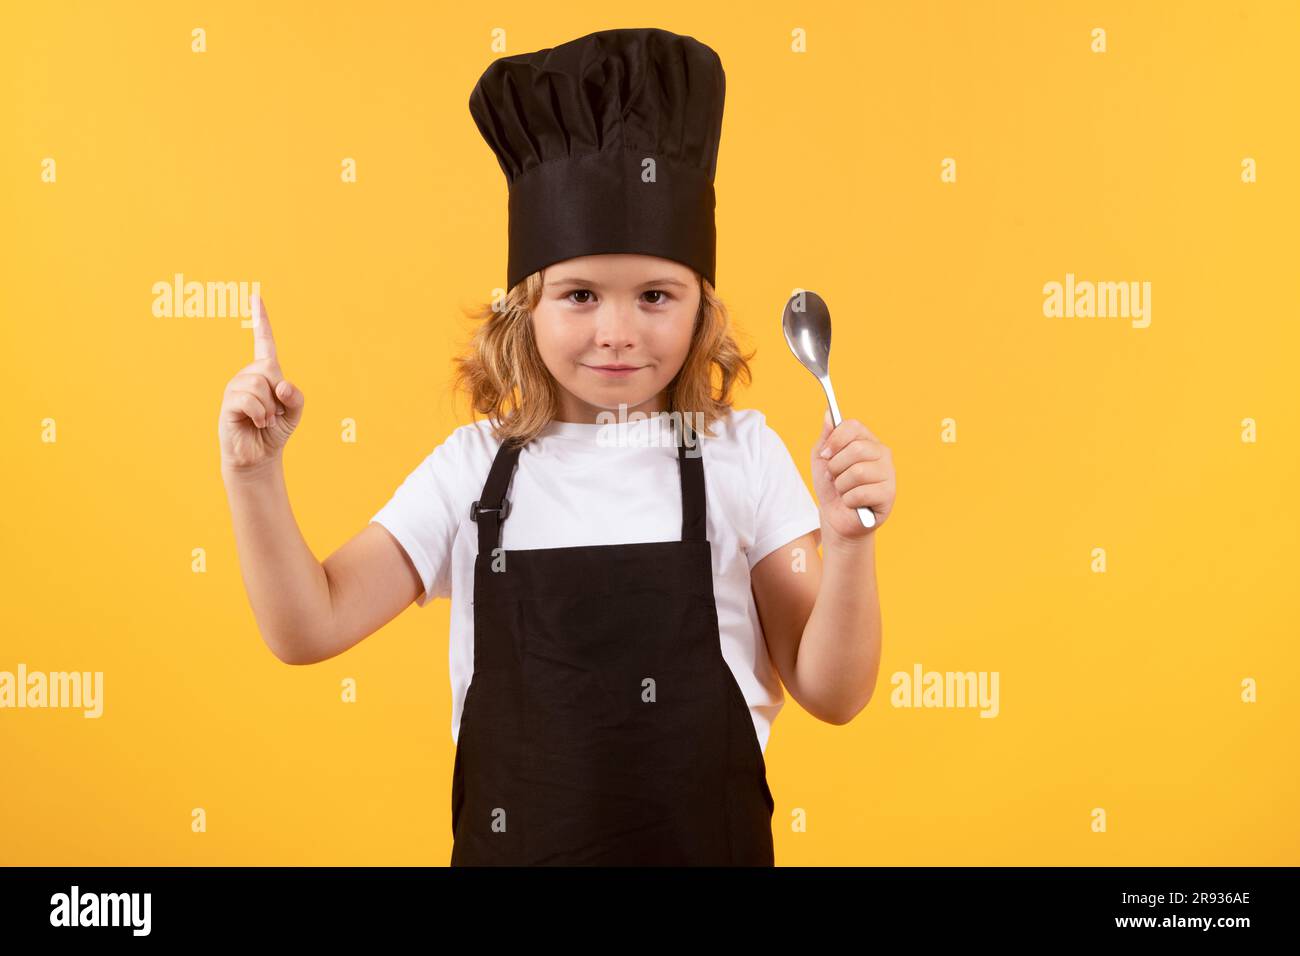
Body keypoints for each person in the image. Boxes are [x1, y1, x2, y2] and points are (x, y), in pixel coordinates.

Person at [218, 28, 894, 866]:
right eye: (579, 295)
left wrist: (849, 544)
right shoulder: (470, 473)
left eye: (655, 295)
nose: (617, 332)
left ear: (701, 307)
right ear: (524, 306)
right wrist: (255, 477)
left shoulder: (742, 456)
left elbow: (833, 692)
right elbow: (307, 626)